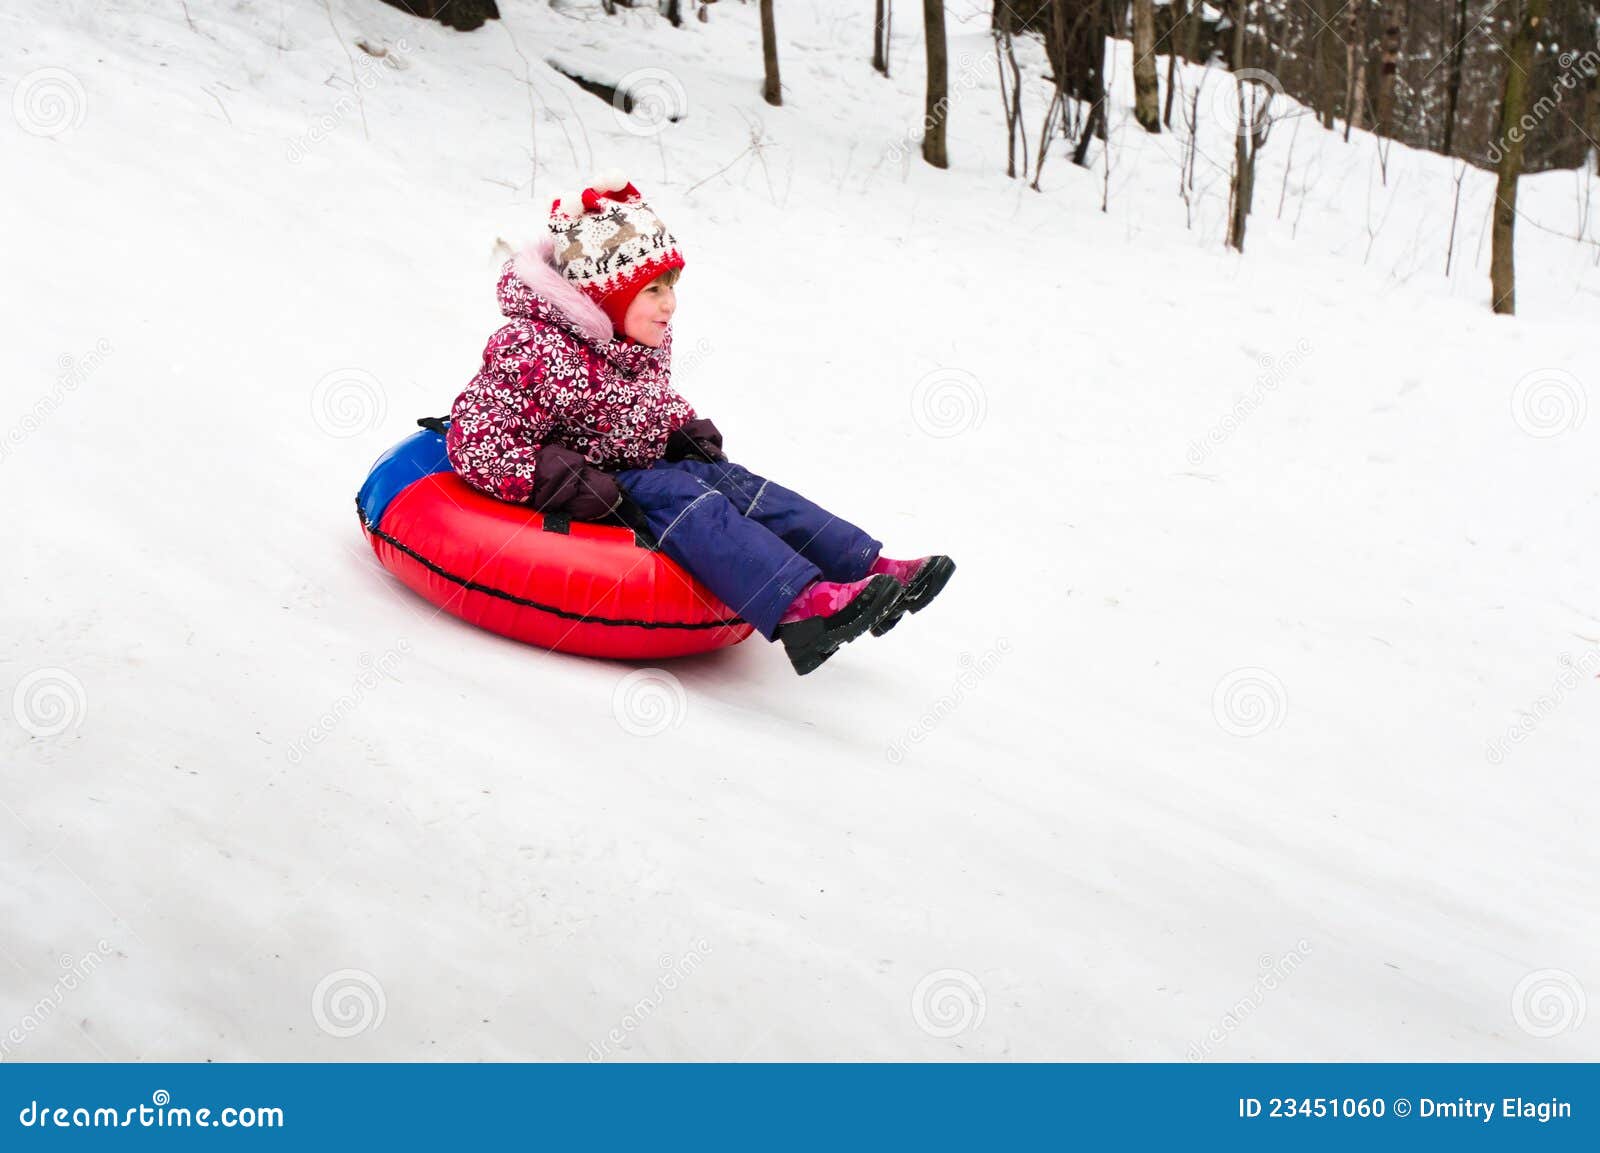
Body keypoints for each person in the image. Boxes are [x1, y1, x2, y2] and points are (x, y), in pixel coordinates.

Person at [446, 173, 954, 674]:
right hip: (594, 482)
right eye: (653, 290)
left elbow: (644, 400)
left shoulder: (636, 340)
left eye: (672, 286)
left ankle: (865, 567)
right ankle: (802, 608)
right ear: (606, 297)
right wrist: (560, 477)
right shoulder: (533, 349)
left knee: (741, 487)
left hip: (638, 460)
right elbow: (476, 436)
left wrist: (681, 425)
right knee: (690, 504)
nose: (670, 303)